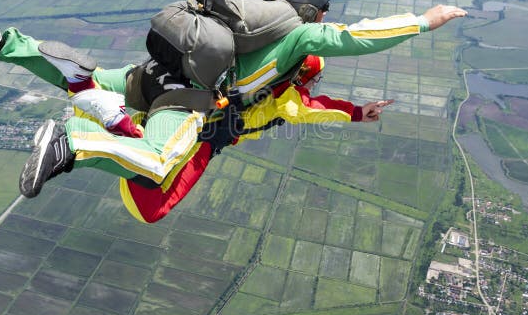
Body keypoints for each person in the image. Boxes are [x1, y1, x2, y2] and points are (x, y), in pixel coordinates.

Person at [0, 0, 467, 200]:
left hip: (150, 73)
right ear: (310, 12)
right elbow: (356, 38)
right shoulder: (298, 40)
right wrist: (425, 20)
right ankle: (73, 145)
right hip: (186, 98)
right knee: (159, 162)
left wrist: (356, 111)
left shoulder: (251, 3)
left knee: (83, 77)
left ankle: (7, 45)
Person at [118, 54, 394, 223]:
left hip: (195, 120)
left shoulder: (263, 74)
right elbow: (310, 108)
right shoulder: (286, 95)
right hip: (205, 137)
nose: (314, 85)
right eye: (315, 78)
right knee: (151, 210)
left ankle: (136, 127)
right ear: (301, 77)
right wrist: (357, 112)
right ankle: (129, 131)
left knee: (152, 186)